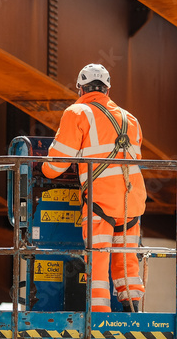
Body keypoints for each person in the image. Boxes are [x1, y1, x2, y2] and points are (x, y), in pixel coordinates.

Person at [41, 63, 147, 312]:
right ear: (108, 89)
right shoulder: (129, 118)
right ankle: (133, 308)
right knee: (126, 258)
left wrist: (44, 170)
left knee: (98, 259)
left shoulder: (77, 112)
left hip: (101, 201)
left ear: (80, 88)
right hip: (132, 200)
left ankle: (99, 316)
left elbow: (57, 162)